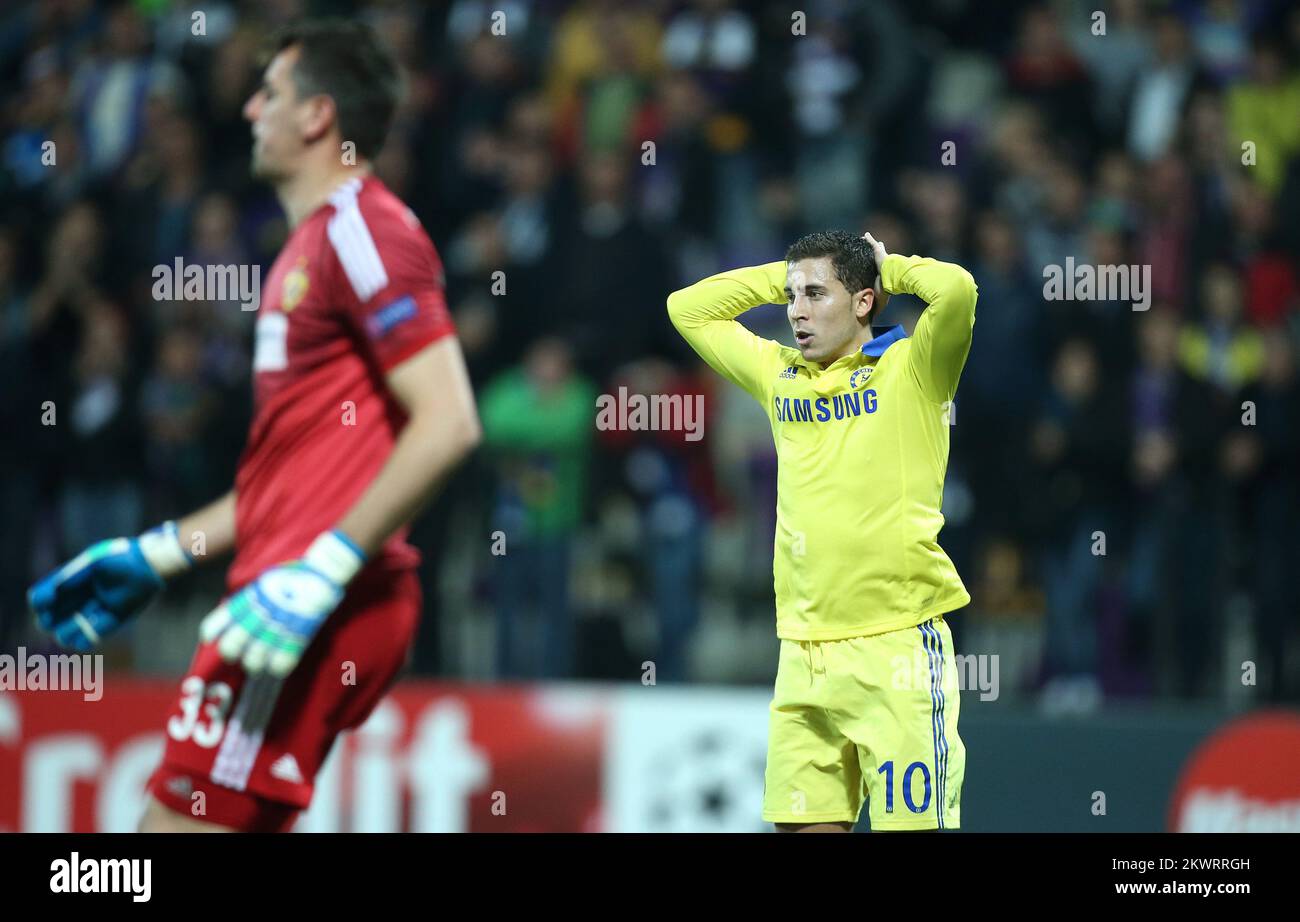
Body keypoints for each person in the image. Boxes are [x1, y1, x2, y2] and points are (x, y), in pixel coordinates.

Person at [27, 19, 481, 832]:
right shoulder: (308, 248)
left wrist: (327, 565)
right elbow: (284, 485)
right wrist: (158, 553)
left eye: (268, 91)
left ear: (317, 117)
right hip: (296, 596)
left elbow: (448, 422)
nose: (246, 109)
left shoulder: (363, 229)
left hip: (308, 609)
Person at [667, 229, 976, 831]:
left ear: (864, 300)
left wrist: (891, 268)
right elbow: (688, 308)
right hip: (803, 652)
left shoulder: (913, 369)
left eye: (815, 294)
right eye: (791, 297)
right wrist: (787, 274)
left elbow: (957, 290)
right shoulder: (779, 375)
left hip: (896, 651)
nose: (795, 312)